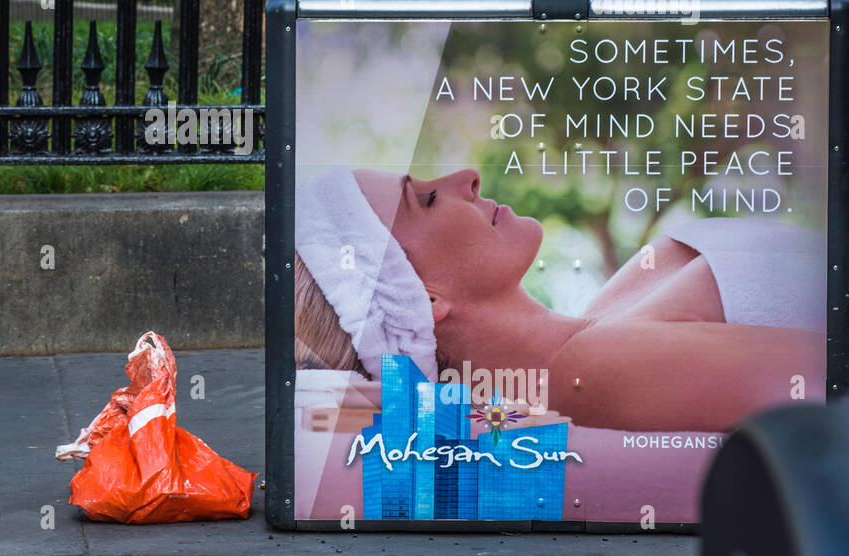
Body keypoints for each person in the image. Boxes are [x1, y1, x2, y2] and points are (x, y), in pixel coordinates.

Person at [294, 165, 825, 434]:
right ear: (422, 299)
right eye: (427, 199)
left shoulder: (602, 323)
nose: (467, 177)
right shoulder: (592, 368)